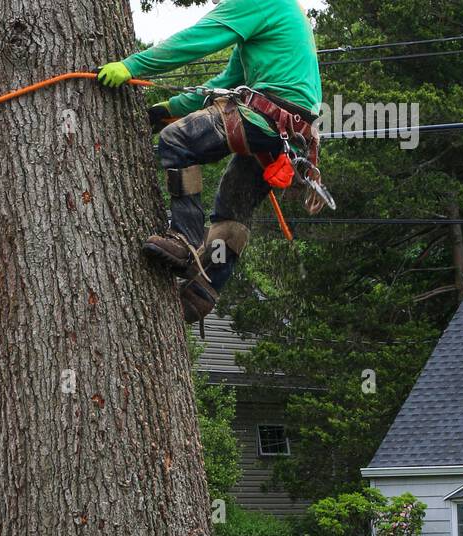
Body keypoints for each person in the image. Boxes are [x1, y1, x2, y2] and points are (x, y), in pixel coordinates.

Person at [98, 0, 324, 321]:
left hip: (268, 117)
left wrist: (132, 66)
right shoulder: (273, 15)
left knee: (178, 140)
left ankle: (184, 238)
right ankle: (203, 290)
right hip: (291, 134)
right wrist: (170, 108)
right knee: (231, 210)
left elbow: (199, 38)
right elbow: (228, 79)